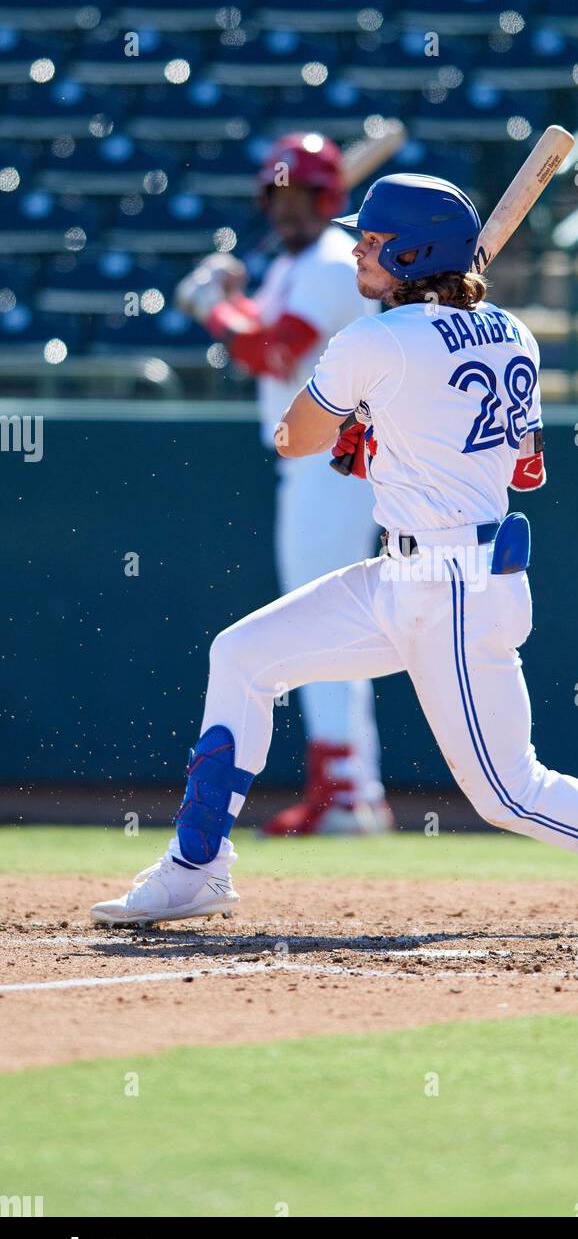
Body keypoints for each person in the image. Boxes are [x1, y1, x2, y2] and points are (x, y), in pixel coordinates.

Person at [93, 174, 578, 936]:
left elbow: (293, 438)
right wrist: (382, 435)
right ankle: (195, 868)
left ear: (416, 250)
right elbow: (526, 468)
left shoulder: (372, 342)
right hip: (414, 574)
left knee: (508, 792)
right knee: (242, 655)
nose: (358, 251)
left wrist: (357, 428)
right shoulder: (516, 333)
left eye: (375, 241)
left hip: (450, 585)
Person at [174, 132, 392, 835]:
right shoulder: (300, 265)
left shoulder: (331, 261)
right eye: (280, 196)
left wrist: (210, 306)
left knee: (322, 622)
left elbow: (271, 349)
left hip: (332, 461)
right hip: (317, 461)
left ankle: (348, 789)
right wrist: (233, 296)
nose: (289, 209)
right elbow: (262, 333)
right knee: (331, 623)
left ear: (328, 199)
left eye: (303, 196)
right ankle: (350, 784)